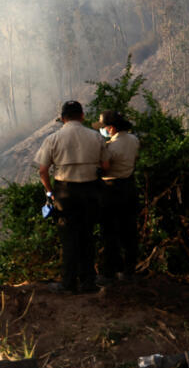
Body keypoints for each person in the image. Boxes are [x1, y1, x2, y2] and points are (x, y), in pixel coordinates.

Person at [34, 100, 104, 294]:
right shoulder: (96, 137)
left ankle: (68, 283)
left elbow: (42, 170)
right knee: (87, 236)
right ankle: (88, 280)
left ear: (63, 119)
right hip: (90, 192)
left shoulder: (53, 139)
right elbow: (105, 165)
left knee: (69, 238)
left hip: (65, 193)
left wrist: (50, 192)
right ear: (82, 116)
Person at [98, 109, 141, 283]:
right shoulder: (134, 140)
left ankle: (109, 272)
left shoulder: (110, 147)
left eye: (106, 127)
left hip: (111, 189)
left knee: (109, 232)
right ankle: (129, 271)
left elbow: (104, 167)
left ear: (112, 128)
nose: (105, 130)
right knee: (129, 230)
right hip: (129, 187)